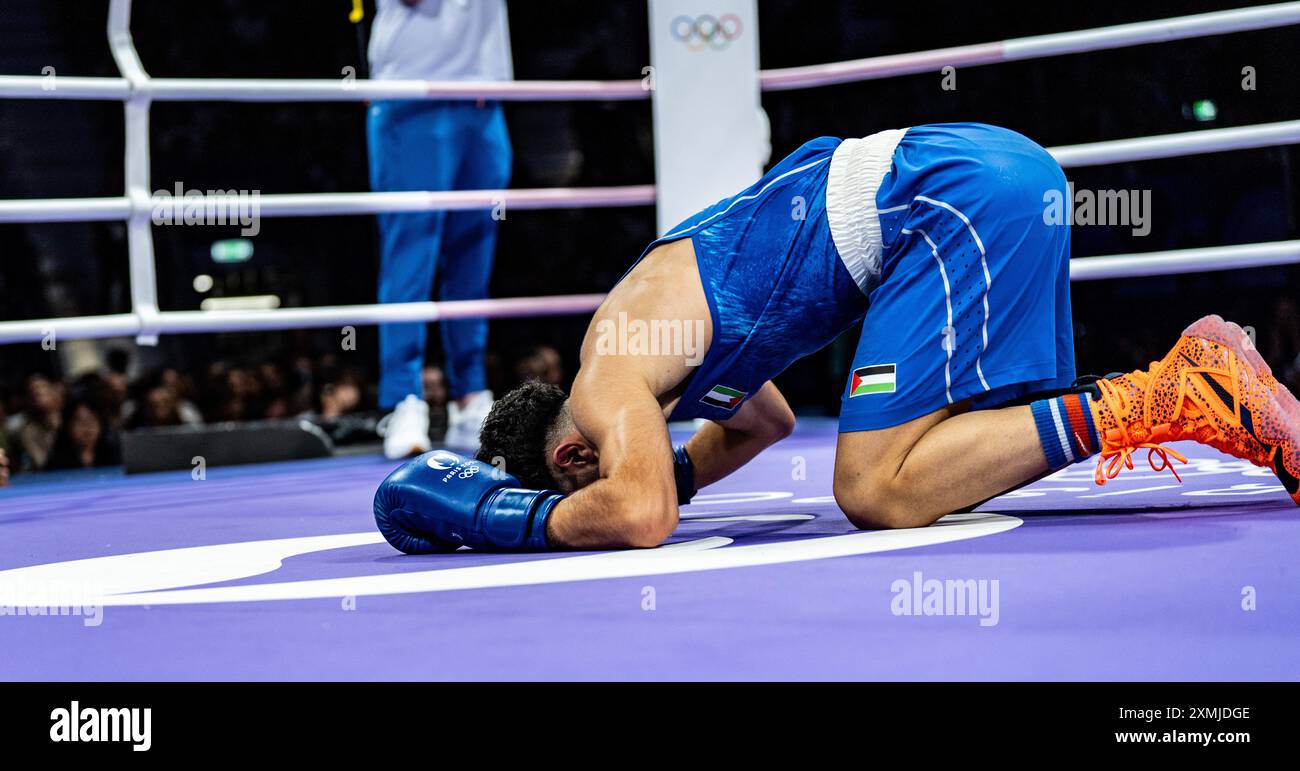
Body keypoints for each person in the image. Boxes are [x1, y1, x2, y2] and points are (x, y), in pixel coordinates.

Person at [373, 122, 1300, 554]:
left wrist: (511, 520)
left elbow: (643, 513)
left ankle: (1176, 392)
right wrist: (675, 463)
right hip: (969, 185)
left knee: (873, 489)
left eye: (592, 473)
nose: (621, 470)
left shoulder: (607, 373)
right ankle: (1202, 402)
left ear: (573, 448)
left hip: (944, 204)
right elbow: (760, 421)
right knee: (946, 458)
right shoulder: (654, 364)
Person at [367, 0, 513, 458]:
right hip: (412, 94)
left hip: (483, 99)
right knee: (410, 254)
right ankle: (403, 399)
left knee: (475, 257)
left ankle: (471, 397)